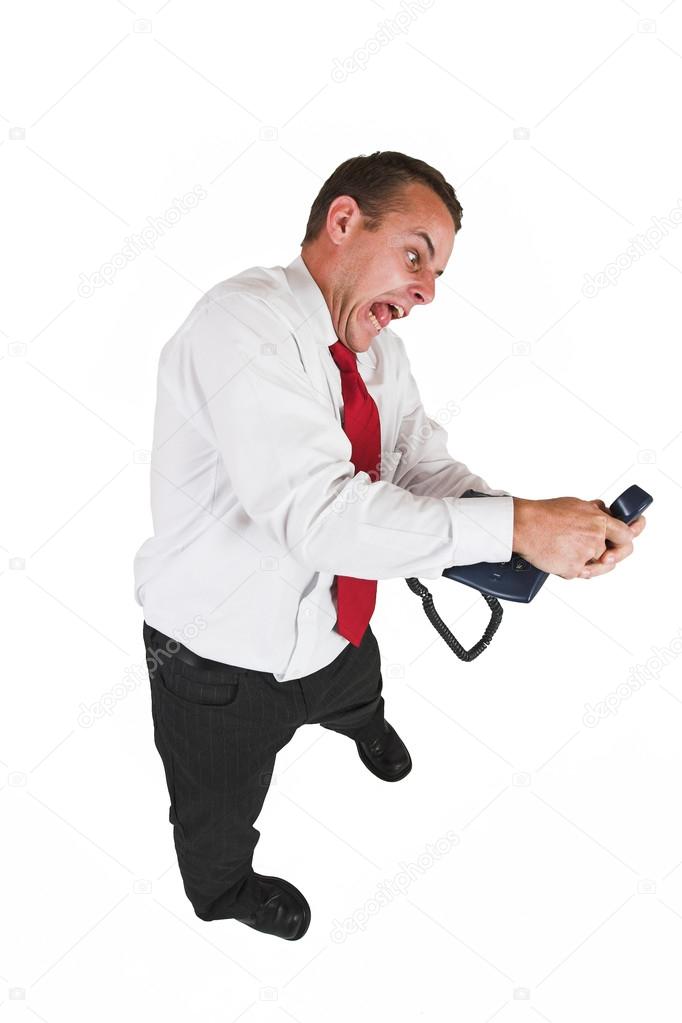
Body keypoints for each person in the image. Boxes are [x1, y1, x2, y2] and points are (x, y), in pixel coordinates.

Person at [133, 151, 646, 941]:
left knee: (360, 687)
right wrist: (515, 525)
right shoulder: (241, 326)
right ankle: (224, 888)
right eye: (416, 256)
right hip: (218, 663)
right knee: (216, 811)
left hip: (335, 628)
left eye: (436, 273)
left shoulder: (377, 352)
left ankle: (360, 722)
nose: (427, 291)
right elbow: (318, 517)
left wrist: (530, 529)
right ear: (344, 221)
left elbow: (417, 466)